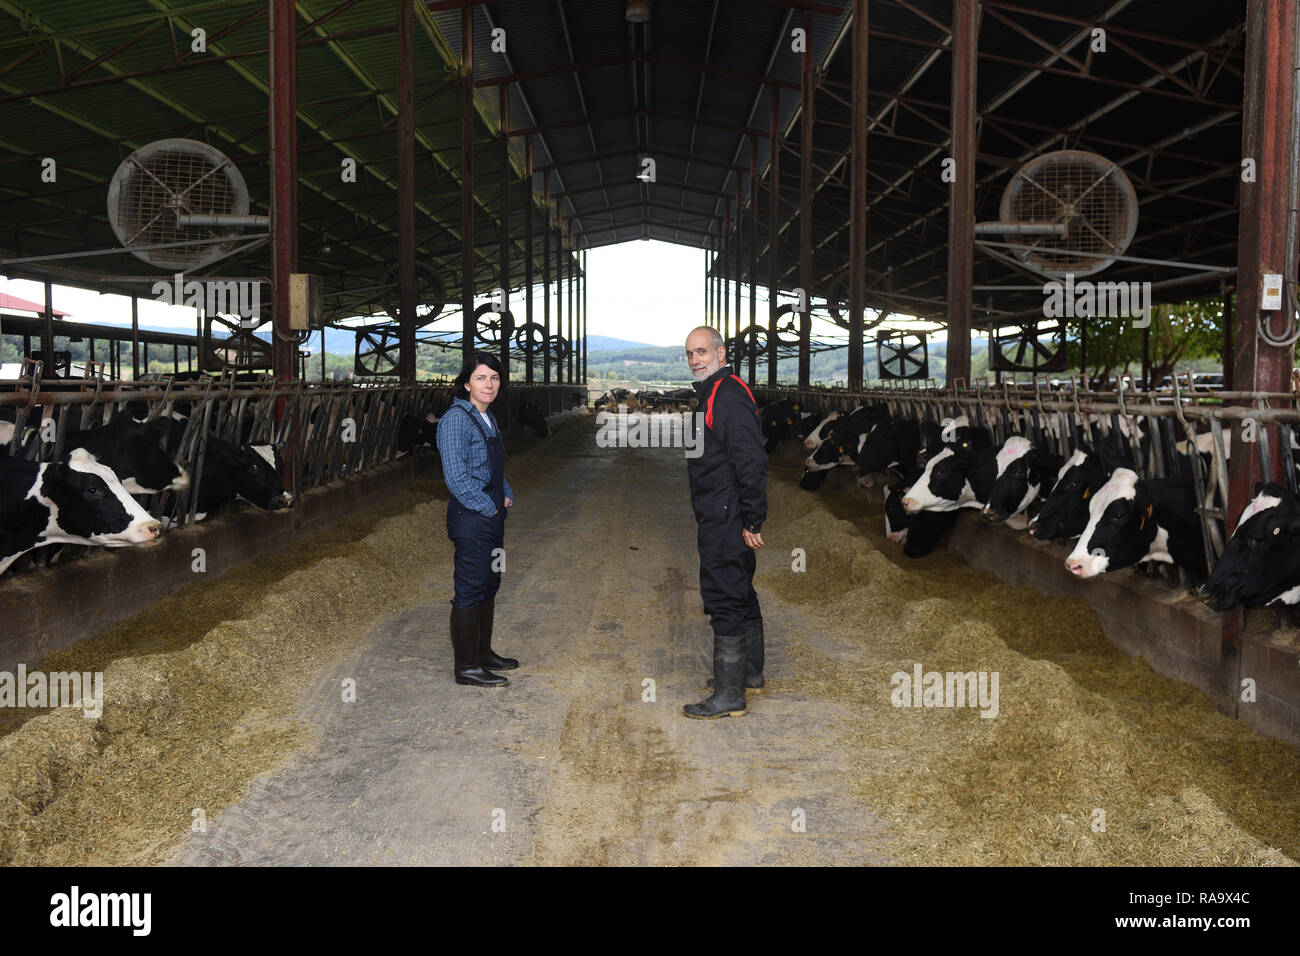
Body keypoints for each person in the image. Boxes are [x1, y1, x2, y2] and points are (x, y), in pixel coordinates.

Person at [682, 326, 767, 719]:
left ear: (720, 352)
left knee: (724, 590)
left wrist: (751, 518)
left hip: (726, 513)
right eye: (690, 354)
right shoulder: (716, 391)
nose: (695, 359)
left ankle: (730, 694)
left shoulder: (727, 395)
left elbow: (750, 460)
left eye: (702, 352)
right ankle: (749, 674)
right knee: (740, 586)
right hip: (721, 509)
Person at [436, 351, 518, 687]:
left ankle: (483, 653)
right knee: (470, 587)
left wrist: (506, 492)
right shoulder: (456, 420)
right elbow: (456, 477)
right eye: (481, 378)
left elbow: (494, 467)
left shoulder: (487, 417)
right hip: (472, 519)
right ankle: (466, 667)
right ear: (467, 383)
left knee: (489, 583)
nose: (489, 384)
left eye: (495, 378)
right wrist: (489, 507)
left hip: (491, 516)